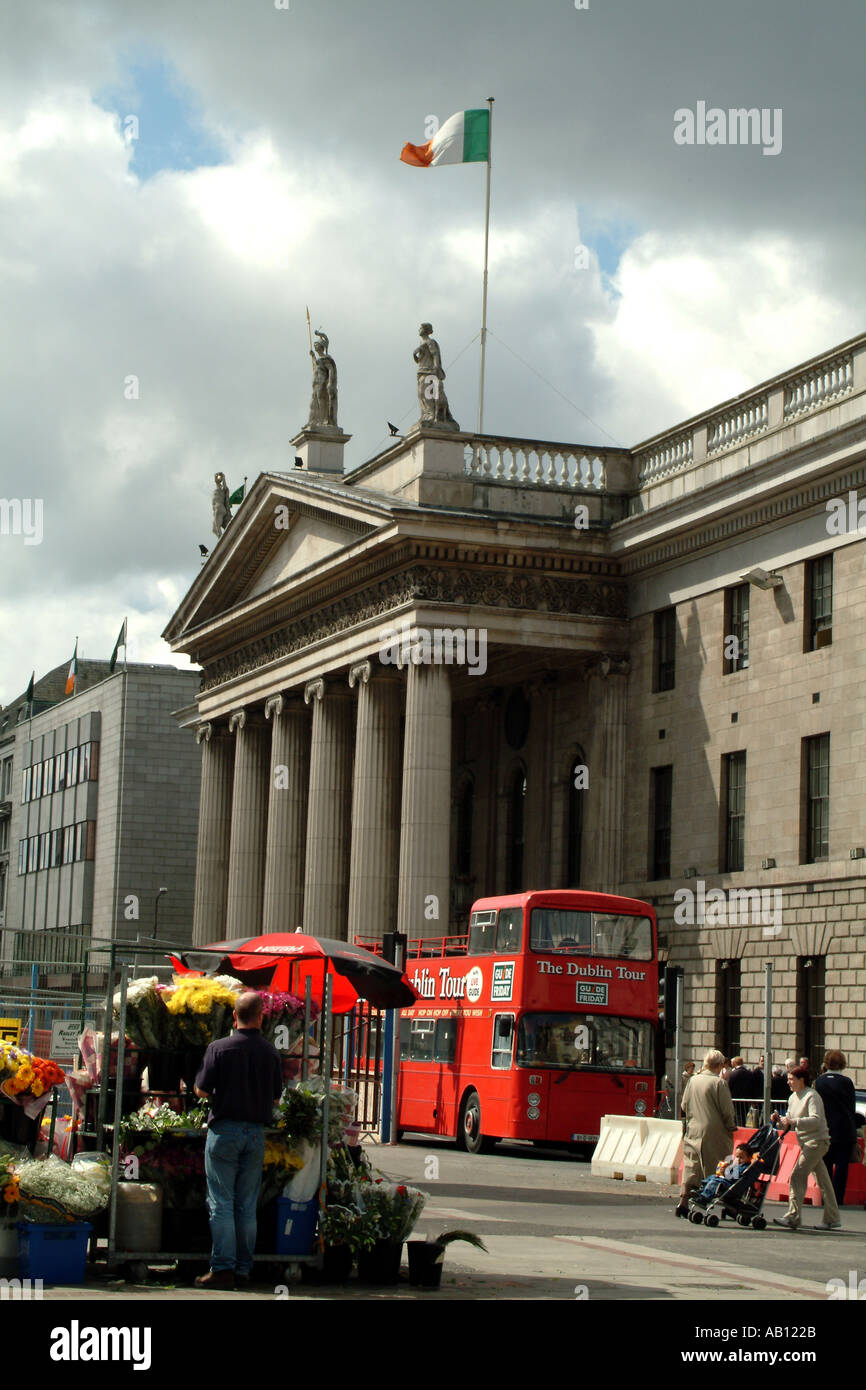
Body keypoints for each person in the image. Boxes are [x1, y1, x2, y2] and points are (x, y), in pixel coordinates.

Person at [193, 991, 284, 1288]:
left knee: (221, 1202)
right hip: (255, 1135)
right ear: (261, 1017)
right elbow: (275, 1097)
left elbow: (202, 1090)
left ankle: (222, 1269)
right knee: (246, 1204)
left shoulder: (218, 1048)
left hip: (224, 1132)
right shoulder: (271, 1053)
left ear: (234, 1016)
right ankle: (244, 1269)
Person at [772, 1065, 841, 1231]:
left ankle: (793, 1217)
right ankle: (832, 1218)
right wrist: (779, 1119)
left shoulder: (812, 1096)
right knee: (824, 1181)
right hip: (806, 1142)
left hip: (817, 1142)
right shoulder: (792, 1097)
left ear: (801, 1080)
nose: (788, 1082)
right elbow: (788, 1121)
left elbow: (816, 1120)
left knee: (796, 1175)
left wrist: (793, 1122)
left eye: (791, 1079)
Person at [675, 1049, 736, 1217]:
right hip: (715, 1132)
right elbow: (727, 1111)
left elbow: (684, 1105)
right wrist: (731, 1127)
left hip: (694, 1130)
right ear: (719, 1065)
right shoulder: (719, 1083)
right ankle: (726, 1204)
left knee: (691, 1166)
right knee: (720, 1167)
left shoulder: (693, 1081)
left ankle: (684, 1202)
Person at [815, 1049, 857, 1206]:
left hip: (826, 1129)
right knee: (841, 1166)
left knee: (825, 1166)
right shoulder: (847, 1082)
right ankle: (838, 1198)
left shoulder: (820, 1081)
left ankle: (826, 1198)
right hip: (844, 1130)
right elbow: (851, 1107)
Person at [693, 1141, 755, 1207]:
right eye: (737, 1157)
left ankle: (704, 1199)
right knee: (712, 1177)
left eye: (741, 1158)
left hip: (731, 1185)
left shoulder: (745, 1168)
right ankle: (703, 1189)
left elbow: (735, 1176)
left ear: (749, 1158)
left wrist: (725, 1172)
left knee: (715, 1181)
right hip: (727, 1180)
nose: (738, 1159)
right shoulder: (737, 1165)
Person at [727, 1056, 754, 1126]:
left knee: (737, 1118)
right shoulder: (749, 1073)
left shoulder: (733, 1074)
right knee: (743, 1117)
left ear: (735, 1063)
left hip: (735, 1100)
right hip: (746, 1100)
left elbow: (728, 1086)